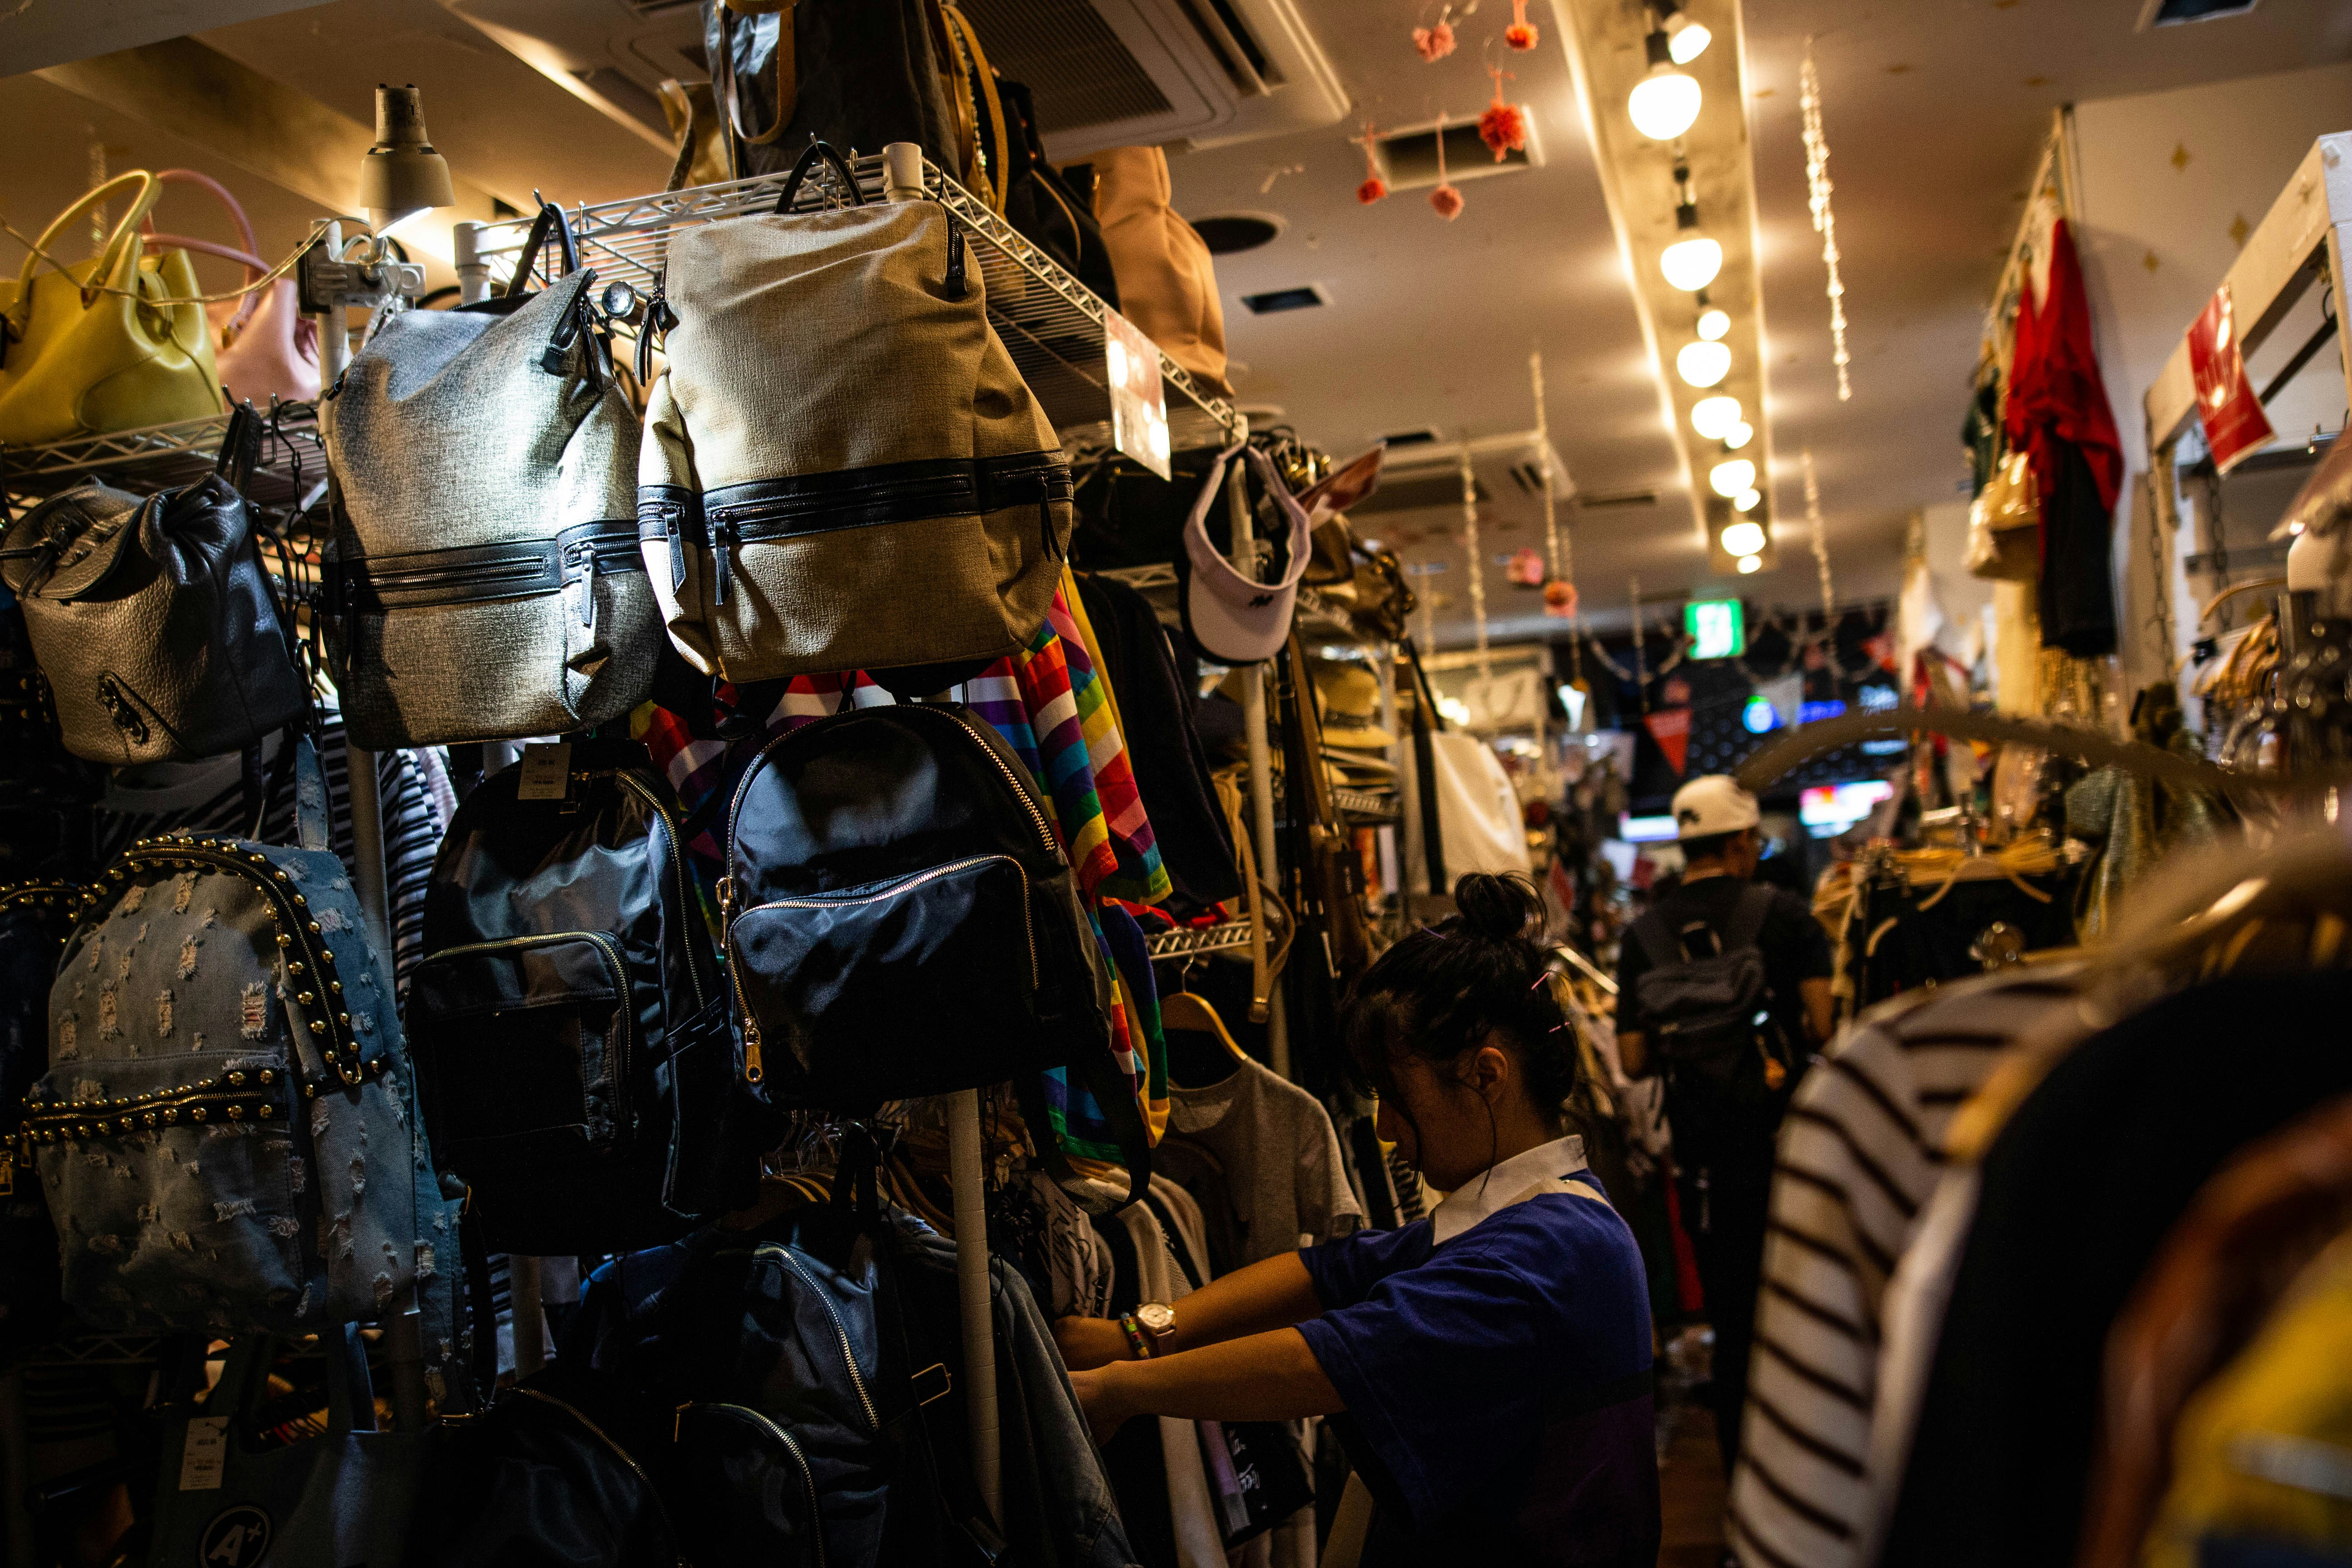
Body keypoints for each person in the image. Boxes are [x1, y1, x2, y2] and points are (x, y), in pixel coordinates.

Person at [1055, 873, 1660, 1568]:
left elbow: (1331, 1363)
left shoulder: (1545, 1254)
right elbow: (1327, 1271)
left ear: (1487, 1077)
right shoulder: (1540, 1214)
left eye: (1398, 1097)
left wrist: (1121, 1389)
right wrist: (1128, 1336)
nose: (1383, 1127)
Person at [1613, 774, 1834, 1475]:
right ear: (1741, 842)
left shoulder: (1642, 937)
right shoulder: (1787, 916)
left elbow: (1634, 1059)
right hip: (1786, 1148)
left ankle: (1747, 1468)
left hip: (1702, 1160)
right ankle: (1816, 1458)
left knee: (1733, 1320)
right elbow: (1823, 1024)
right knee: (1803, 1308)